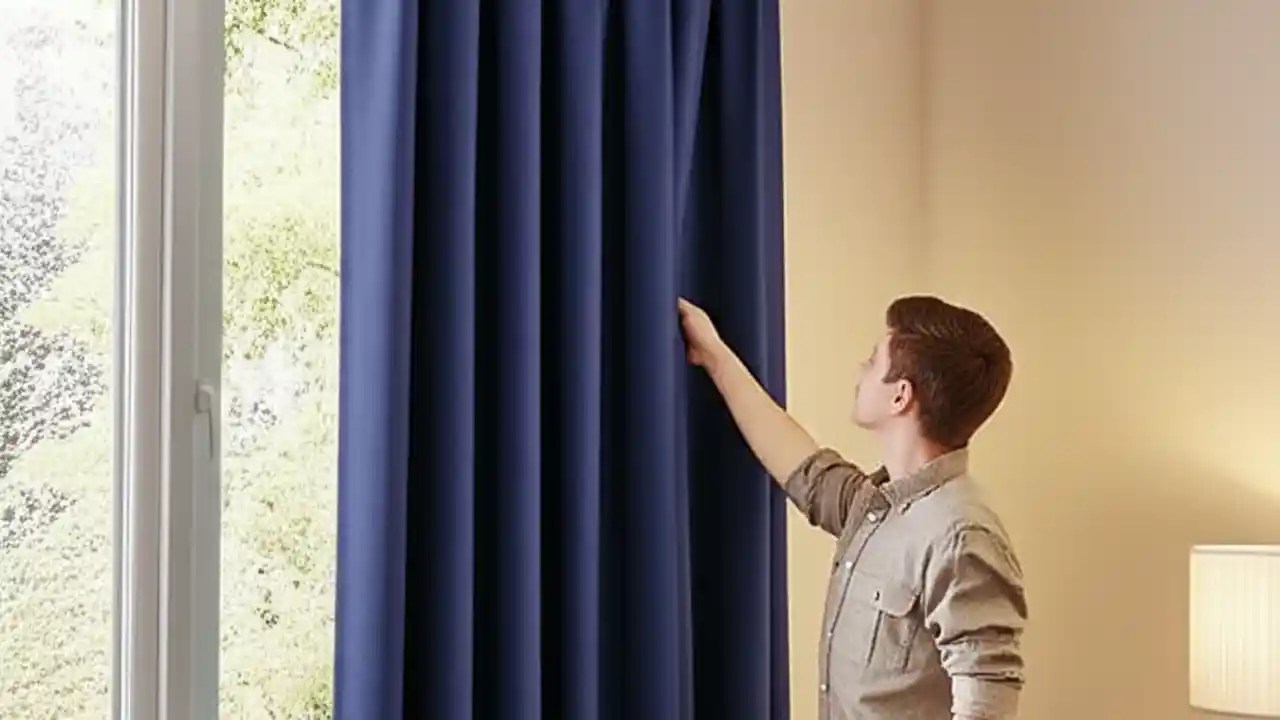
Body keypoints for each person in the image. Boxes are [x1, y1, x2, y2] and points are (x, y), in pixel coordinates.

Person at [678, 295, 1027, 720]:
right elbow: (803, 470)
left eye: (871, 361)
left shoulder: (962, 536)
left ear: (901, 396)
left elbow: (986, 704)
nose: (860, 373)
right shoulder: (875, 508)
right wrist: (714, 355)